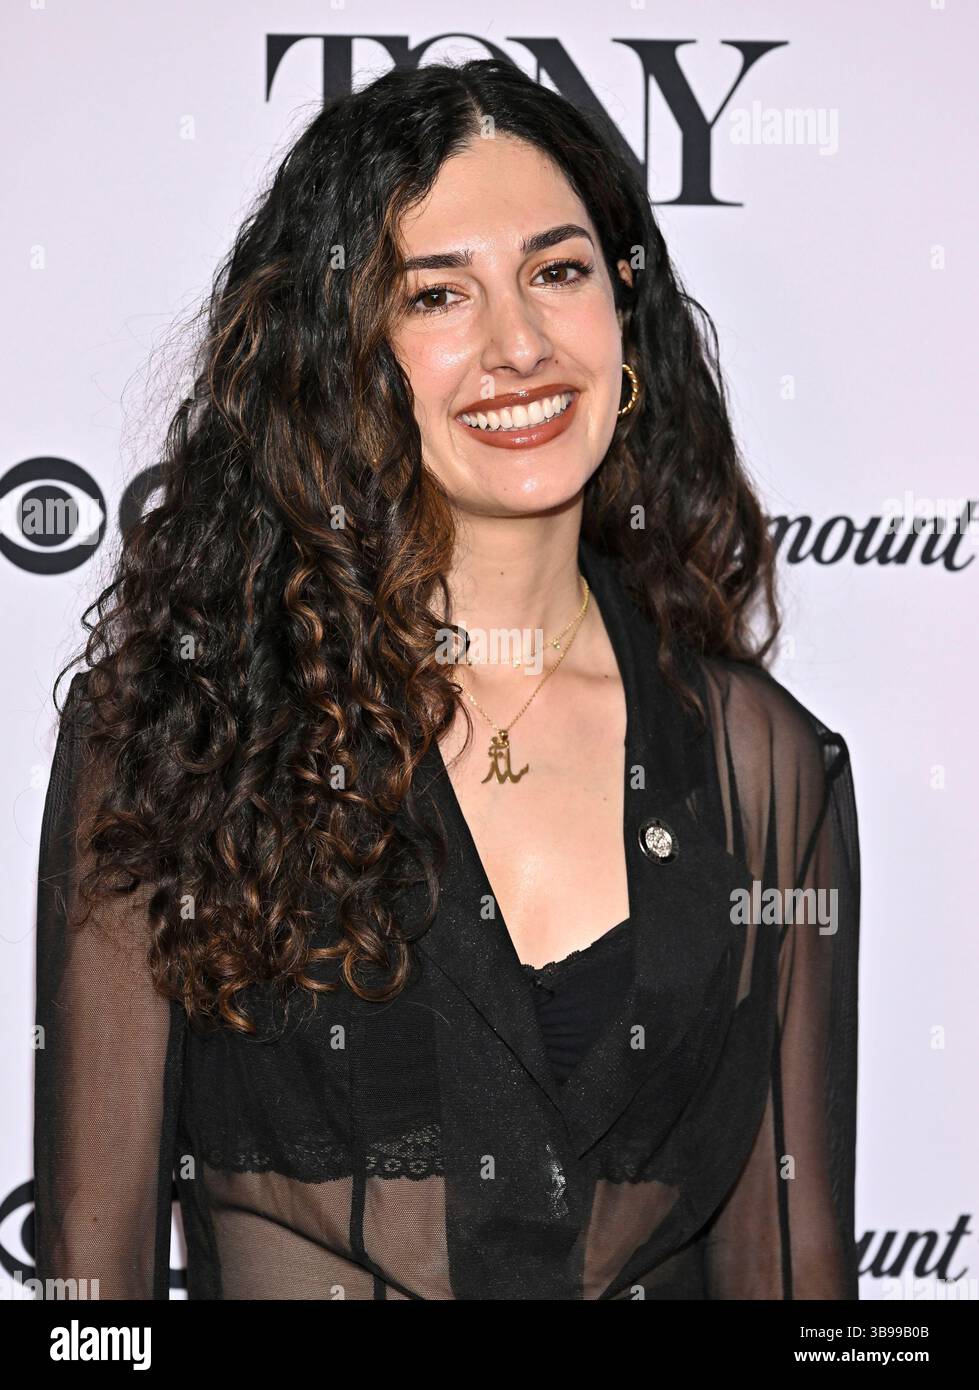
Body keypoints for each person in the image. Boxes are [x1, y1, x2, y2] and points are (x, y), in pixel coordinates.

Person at [33, 57, 860, 1300]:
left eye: (558, 271)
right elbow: (90, 1301)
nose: (517, 343)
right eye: (437, 295)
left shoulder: (764, 771)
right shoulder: (172, 735)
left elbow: (797, 1290)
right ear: (343, 351)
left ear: (625, 318)